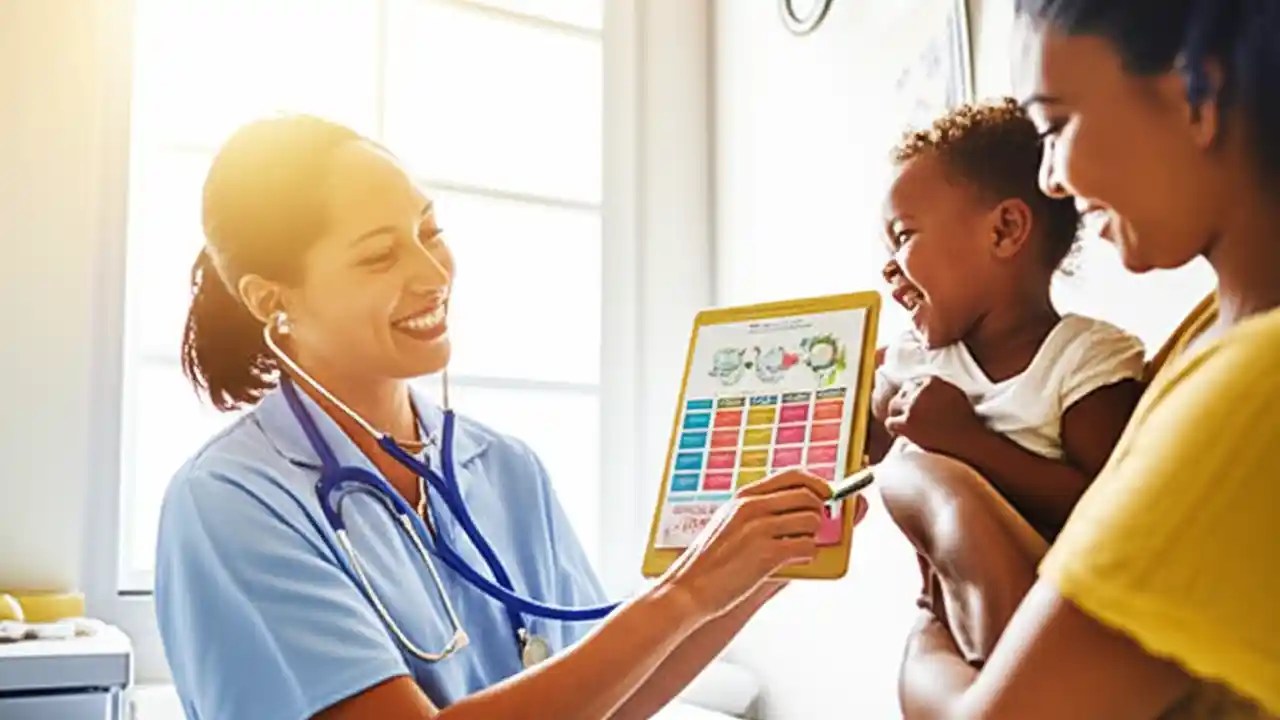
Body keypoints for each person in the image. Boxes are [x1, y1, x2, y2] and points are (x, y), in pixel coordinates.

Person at [153, 116, 860, 720]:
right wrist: (687, 587)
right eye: (379, 255)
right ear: (272, 298)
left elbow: (617, 698)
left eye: (431, 230)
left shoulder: (503, 468)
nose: (432, 273)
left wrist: (774, 553)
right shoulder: (231, 501)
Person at [889, 1, 1280, 717]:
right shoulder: (1205, 342)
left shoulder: (1253, 384)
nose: (1051, 181)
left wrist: (925, 638)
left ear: (1200, 94)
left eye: (1056, 126)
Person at [869, 99, 1145, 666]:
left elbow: (1104, 509)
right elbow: (860, 454)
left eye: (903, 236)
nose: (889, 267)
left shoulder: (1084, 359)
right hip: (955, 629)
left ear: (1005, 230)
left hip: (1055, 646)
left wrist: (969, 442)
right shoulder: (910, 362)